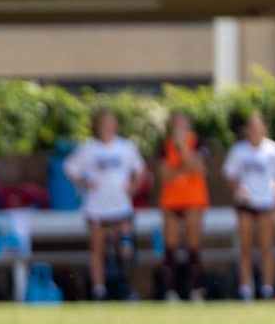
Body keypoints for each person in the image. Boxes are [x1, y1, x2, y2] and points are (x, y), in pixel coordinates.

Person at [65, 109, 146, 300]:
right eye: (104, 123)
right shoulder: (88, 148)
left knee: (125, 248)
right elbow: (69, 168)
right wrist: (84, 183)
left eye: (111, 122)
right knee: (97, 249)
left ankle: (124, 286)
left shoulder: (126, 147)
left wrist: (133, 187)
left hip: (121, 206)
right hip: (97, 207)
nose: (108, 127)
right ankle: (99, 290)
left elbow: (141, 170)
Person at [223, 111, 275, 301]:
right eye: (251, 127)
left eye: (258, 126)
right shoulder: (238, 150)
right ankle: (245, 288)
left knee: (266, 248)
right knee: (244, 248)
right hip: (246, 204)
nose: (254, 130)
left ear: (264, 128)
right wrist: (238, 190)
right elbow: (230, 175)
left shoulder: (273, 150)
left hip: (266, 203)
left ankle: (267, 288)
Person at [157, 112, 209, 301]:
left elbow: (199, 168)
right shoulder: (164, 145)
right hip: (171, 201)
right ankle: (170, 291)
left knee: (193, 245)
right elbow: (165, 175)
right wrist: (185, 167)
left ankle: (196, 289)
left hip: (193, 200)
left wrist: (183, 150)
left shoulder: (198, 142)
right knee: (170, 246)